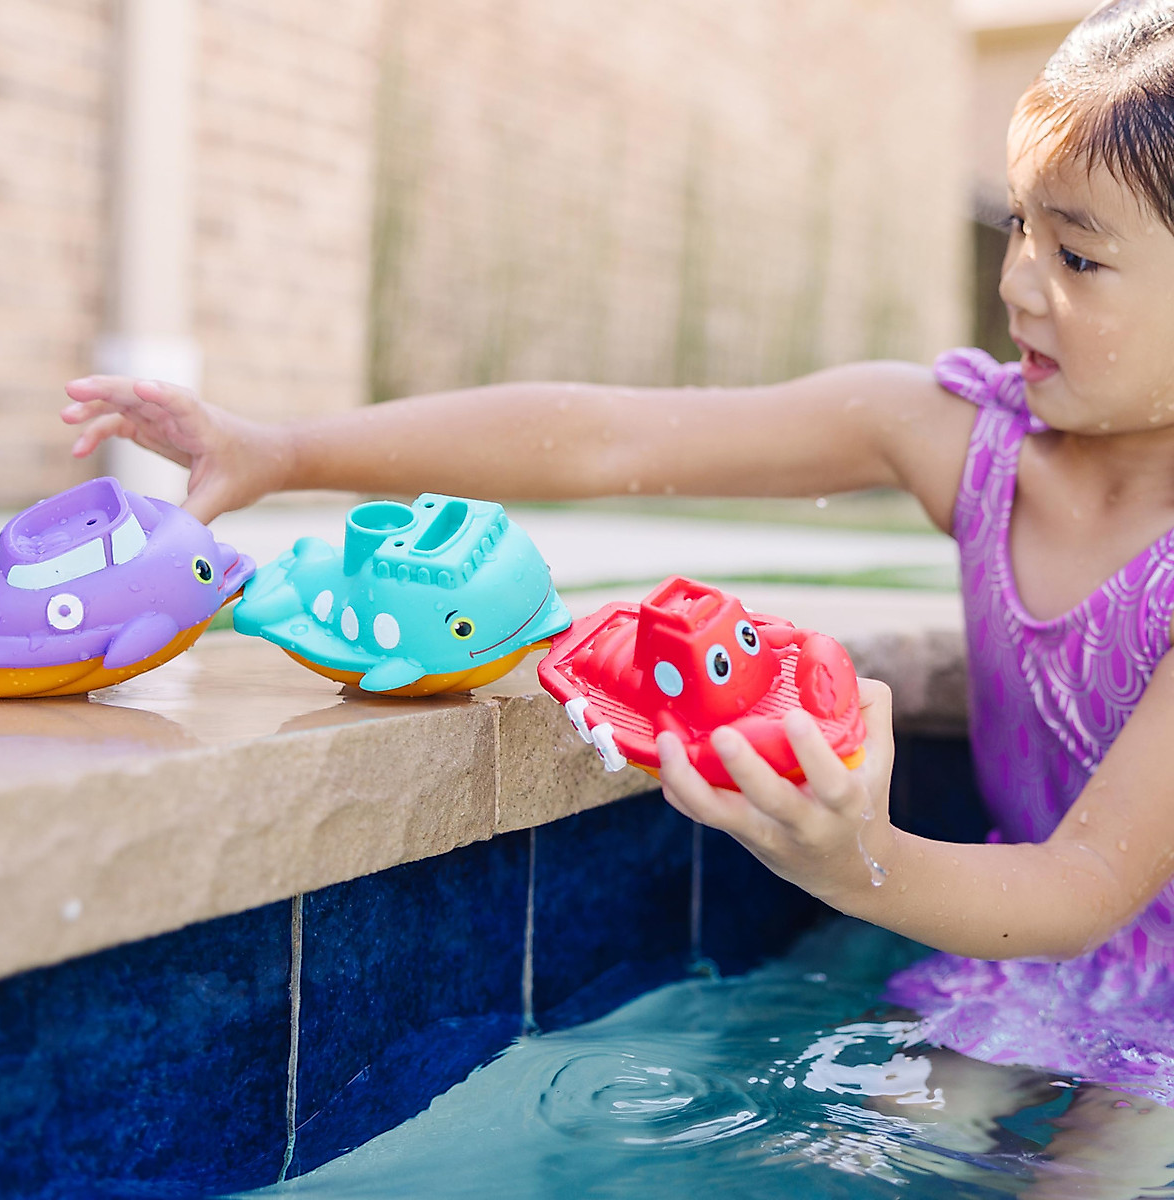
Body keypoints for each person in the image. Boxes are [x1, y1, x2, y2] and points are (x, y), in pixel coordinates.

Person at [61, 2, 1174, 1190]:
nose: (1018, 282)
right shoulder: (968, 440)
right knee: (860, 1155)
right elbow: (608, 434)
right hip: (1009, 948)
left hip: (1108, 958)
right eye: (1018, 225)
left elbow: (1083, 886)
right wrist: (285, 450)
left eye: (1077, 256)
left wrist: (860, 863)